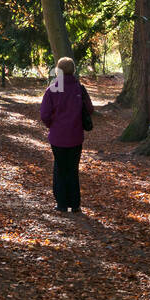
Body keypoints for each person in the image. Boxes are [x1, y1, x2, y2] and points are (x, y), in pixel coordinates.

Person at [39, 56, 93, 213]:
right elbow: (89, 109)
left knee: (60, 169)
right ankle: (75, 203)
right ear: (73, 70)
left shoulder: (52, 90)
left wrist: (53, 125)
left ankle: (62, 203)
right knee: (73, 169)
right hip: (76, 136)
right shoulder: (79, 89)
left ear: (58, 71)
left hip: (58, 137)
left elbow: (44, 114)